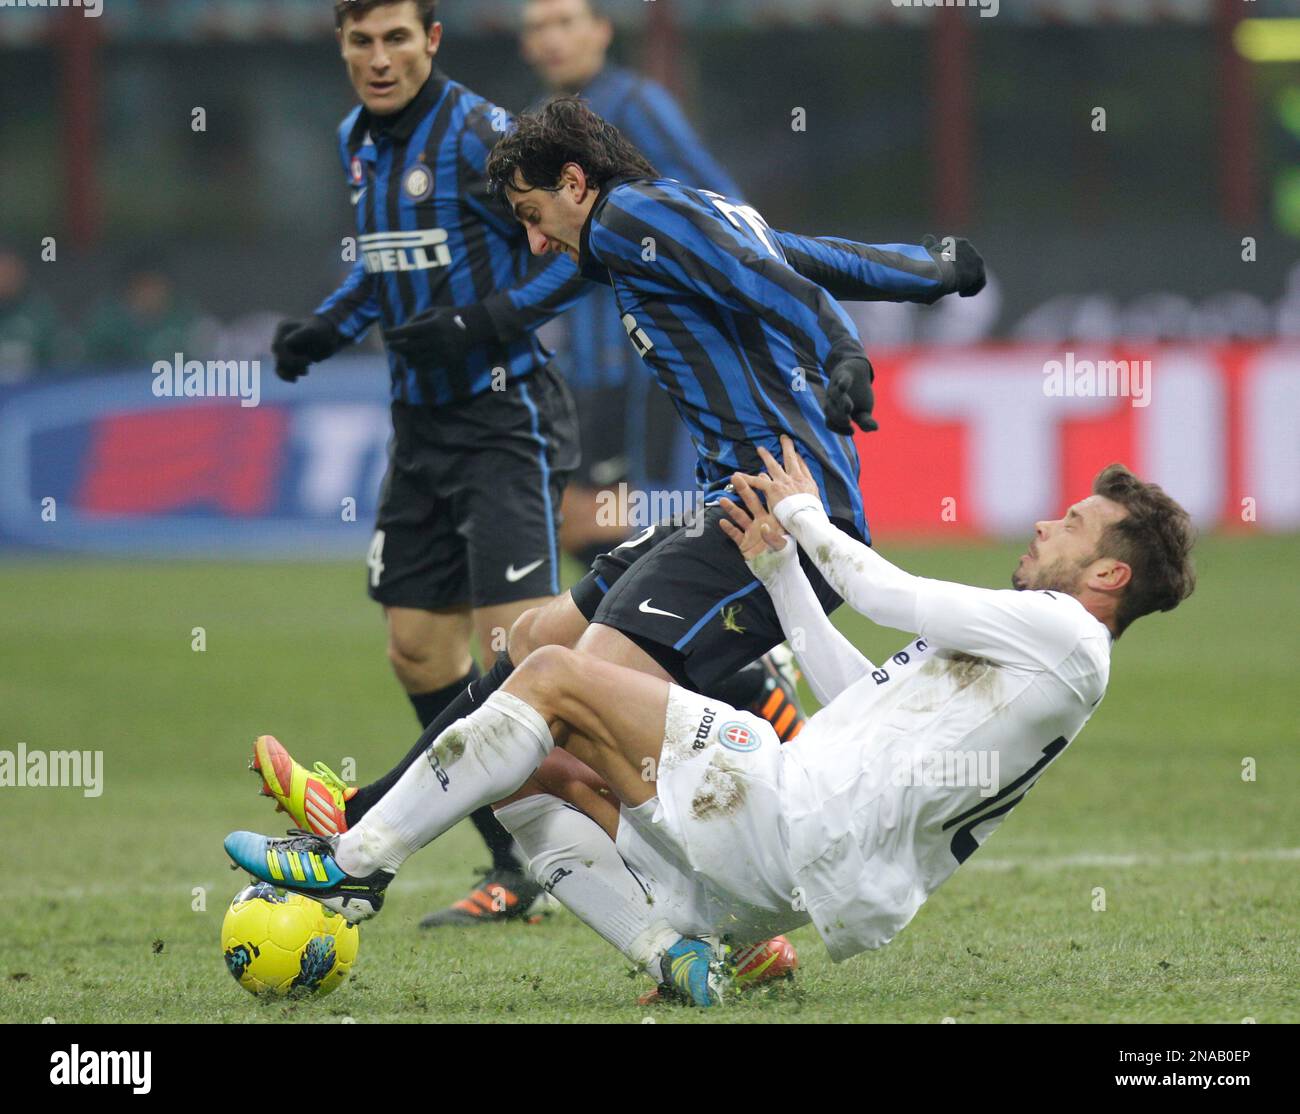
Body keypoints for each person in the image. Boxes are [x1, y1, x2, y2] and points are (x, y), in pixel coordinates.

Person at [242, 96, 987, 1002]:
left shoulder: (642, 219)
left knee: (572, 697)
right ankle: (356, 818)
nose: (536, 241)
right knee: (526, 648)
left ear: (575, 181)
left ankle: (701, 923)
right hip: (718, 508)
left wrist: (844, 357)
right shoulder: (661, 222)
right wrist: (932, 270)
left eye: (532, 215)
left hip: (774, 520)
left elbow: (792, 288)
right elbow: (812, 255)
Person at [225, 437, 1197, 1005]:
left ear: (1109, 573)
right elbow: (858, 694)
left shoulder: (1066, 638)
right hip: (786, 876)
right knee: (535, 777)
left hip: (783, 813)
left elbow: (890, 592)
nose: (1043, 525)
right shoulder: (1039, 655)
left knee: (553, 669)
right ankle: (676, 949)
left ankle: (353, 862)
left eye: (1071, 524)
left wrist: (811, 520)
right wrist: (780, 572)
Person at [262, 0, 592, 925]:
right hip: (420, 429)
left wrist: (485, 322)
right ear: (341, 45)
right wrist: (332, 324)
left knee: (518, 658)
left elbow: (579, 250)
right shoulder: (353, 140)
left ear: (432, 41)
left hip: (504, 417)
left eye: (397, 38)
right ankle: (514, 863)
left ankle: (631, 851)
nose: (379, 58)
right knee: (416, 651)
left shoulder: (484, 132)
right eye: (361, 41)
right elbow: (382, 263)